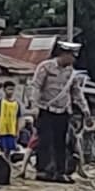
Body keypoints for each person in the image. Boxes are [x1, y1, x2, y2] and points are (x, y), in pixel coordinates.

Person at [32, 43, 84, 182]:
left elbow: (77, 93)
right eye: (72, 56)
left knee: (61, 143)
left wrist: (85, 110)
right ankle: (43, 171)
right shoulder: (45, 67)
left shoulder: (71, 73)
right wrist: (35, 106)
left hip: (63, 111)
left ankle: (60, 172)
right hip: (46, 109)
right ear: (64, 54)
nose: (73, 60)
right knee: (45, 141)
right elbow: (36, 87)